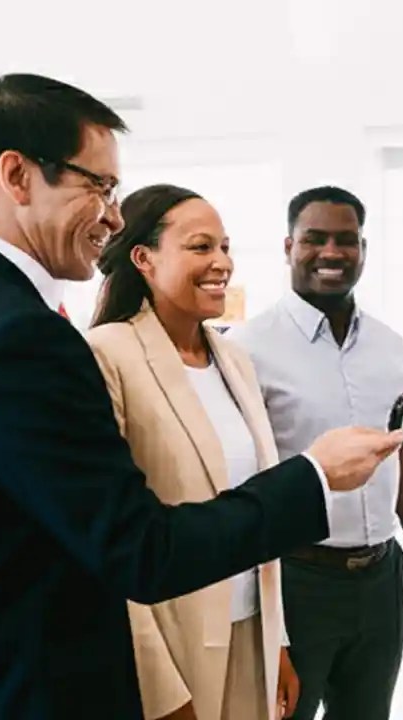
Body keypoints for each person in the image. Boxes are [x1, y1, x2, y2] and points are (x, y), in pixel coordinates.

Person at [0, 74, 402, 720]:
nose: (114, 216)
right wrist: (315, 477)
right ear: (17, 176)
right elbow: (139, 548)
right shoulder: (24, 340)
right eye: (98, 186)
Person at [85, 184, 300, 720]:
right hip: (172, 647)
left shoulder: (234, 359)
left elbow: (257, 509)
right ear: (144, 258)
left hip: (250, 632)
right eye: (201, 247)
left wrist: (278, 641)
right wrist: (159, 688)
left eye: (225, 247)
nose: (221, 263)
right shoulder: (107, 353)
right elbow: (109, 542)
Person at [230, 186, 403, 720]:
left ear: (363, 250)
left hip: (379, 578)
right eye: (315, 239)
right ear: (288, 247)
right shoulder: (247, 348)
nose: (331, 252)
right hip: (298, 581)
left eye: (346, 240)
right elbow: (240, 478)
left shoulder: (389, 345)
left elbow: (400, 456)